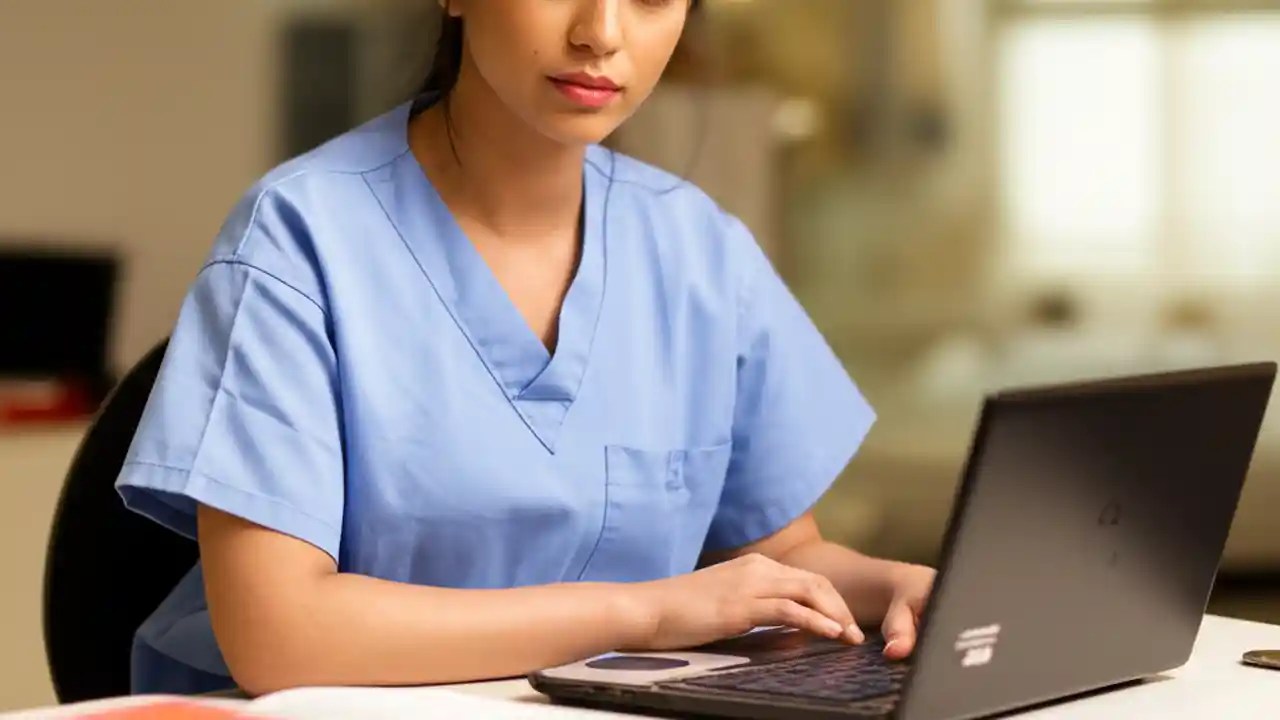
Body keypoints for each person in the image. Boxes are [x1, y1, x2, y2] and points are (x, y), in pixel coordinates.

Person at [116, 0, 936, 698]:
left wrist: (898, 585)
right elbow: (279, 635)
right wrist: (647, 613)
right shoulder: (301, 240)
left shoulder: (699, 251)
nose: (601, 32)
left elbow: (778, 558)